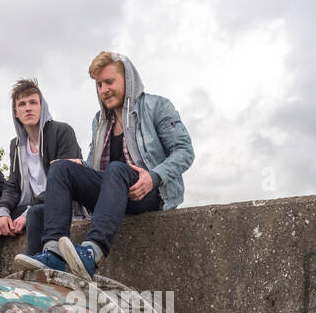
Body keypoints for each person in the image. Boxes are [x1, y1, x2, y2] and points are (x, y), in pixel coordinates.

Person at [17, 52, 193, 280]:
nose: (104, 90)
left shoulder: (156, 106)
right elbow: (95, 168)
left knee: (117, 168)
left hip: (150, 190)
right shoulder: (100, 121)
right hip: (114, 193)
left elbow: (184, 151)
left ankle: (93, 251)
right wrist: (79, 167)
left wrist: (154, 177)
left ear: (127, 80)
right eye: (99, 85)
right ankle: (53, 253)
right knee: (61, 167)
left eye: (109, 82)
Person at [0, 79, 82, 277]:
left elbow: (66, 183)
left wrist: (26, 214)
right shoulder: (16, 145)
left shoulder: (61, 132)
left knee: (34, 215)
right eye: (22, 104)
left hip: (62, 205)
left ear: (42, 106)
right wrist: (3, 212)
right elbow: (13, 185)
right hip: (30, 206)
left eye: (33, 102)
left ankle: (29, 280)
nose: (28, 108)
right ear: (16, 112)